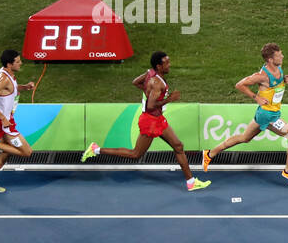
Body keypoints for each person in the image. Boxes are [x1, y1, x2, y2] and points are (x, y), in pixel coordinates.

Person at [81, 51, 210, 191]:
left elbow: (135, 82)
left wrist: (147, 91)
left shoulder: (150, 73)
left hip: (158, 119)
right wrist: (169, 99)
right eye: (166, 63)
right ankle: (96, 149)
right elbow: (150, 106)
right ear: (159, 66)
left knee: (178, 146)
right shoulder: (156, 83)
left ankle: (191, 182)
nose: (169, 65)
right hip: (150, 121)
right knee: (135, 154)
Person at [202, 44, 288, 185]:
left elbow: (276, 85)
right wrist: (255, 97)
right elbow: (239, 85)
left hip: (267, 113)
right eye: (278, 54)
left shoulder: (279, 68)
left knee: (244, 138)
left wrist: (285, 80)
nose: (282, 56)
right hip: (268, 116)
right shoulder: (261, 76)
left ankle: (209, 154)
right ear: (270, 59)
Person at [0, 50, 36, 193]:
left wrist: (25, 87)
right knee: (27, 152)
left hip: (1, 119)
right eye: (18, 61)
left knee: (6, 152)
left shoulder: (6, 74)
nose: (21, 63)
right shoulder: (4, 79)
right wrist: (3, 118)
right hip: (4, 121)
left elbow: (10, 90)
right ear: (9, 64)